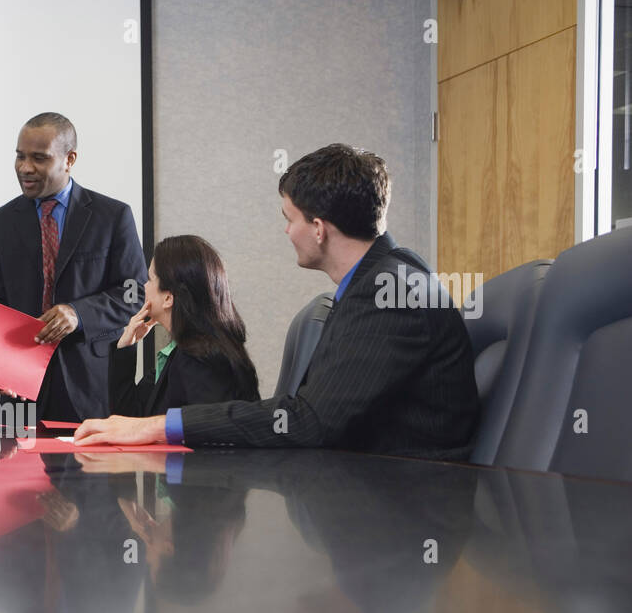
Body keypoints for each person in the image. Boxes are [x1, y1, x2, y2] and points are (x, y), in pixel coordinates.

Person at [74, 144, 479, 459]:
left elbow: (311, 421)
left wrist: (159, 427)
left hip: (407, 505)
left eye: (290, 219)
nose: (286, 232)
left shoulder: (390, 293)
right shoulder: (383, 279)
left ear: (318, 228)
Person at [0, 112, 148, 422]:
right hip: (19, 391)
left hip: (93, 386)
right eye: (20, 156)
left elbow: (134, 293)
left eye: (39, 158)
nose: (25, 168)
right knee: (19, 470)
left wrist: (78, 314)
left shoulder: (113, 216)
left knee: (93, 471)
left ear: (69, 159)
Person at [109, 234, 259, 417]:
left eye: (149, 279)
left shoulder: (201, 359)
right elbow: (131, 418)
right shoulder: (179, 352)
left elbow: (208, 433)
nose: (144, 287)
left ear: (168, 298)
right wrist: (125, 348)